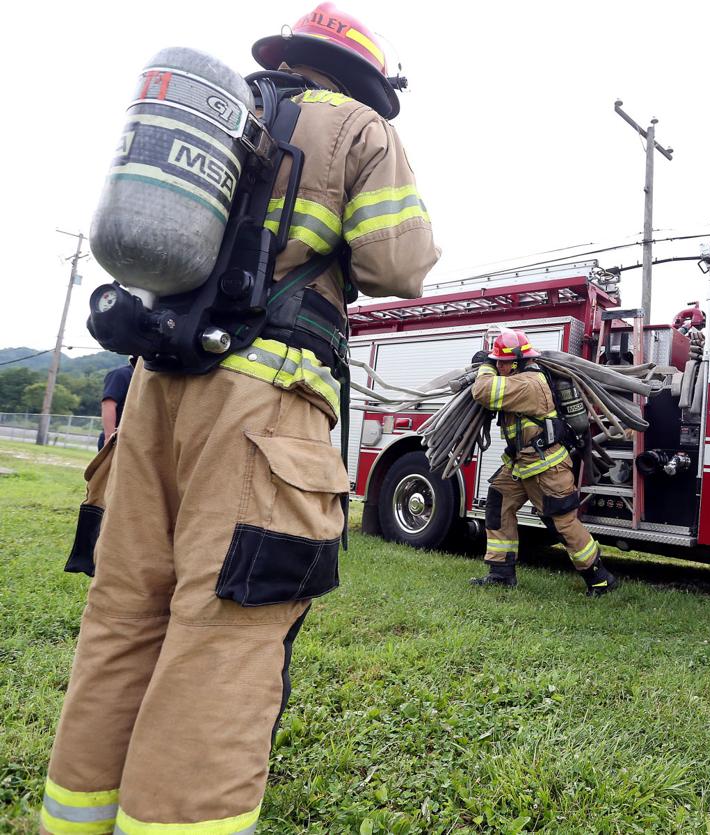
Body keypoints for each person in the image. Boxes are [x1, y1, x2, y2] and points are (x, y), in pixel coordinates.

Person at [40, 5, 438, 833]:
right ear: (365, 76)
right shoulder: (358, 126)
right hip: (263, 406)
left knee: (122, 614)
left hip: (154, 392)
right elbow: (396, 264)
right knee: (223, 629)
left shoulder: (225, 111)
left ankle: (75, 816)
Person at [469, 327, 619, 596]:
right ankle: (501, 573)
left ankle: (599, 578)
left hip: (547, 468)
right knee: (498, 503)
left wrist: (485, 367)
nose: (499, 366)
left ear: (517, 362)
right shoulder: (520, 379)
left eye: (503, 362)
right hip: (522, 464)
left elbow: (483, 391)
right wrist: (492, 365)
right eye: (497, 362)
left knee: (563, 523)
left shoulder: (528, 384)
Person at [97, 356, 136, 449]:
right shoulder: (122, 374)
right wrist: (109, 438)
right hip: (120, 438)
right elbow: (108, 403)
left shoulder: (151, 378)